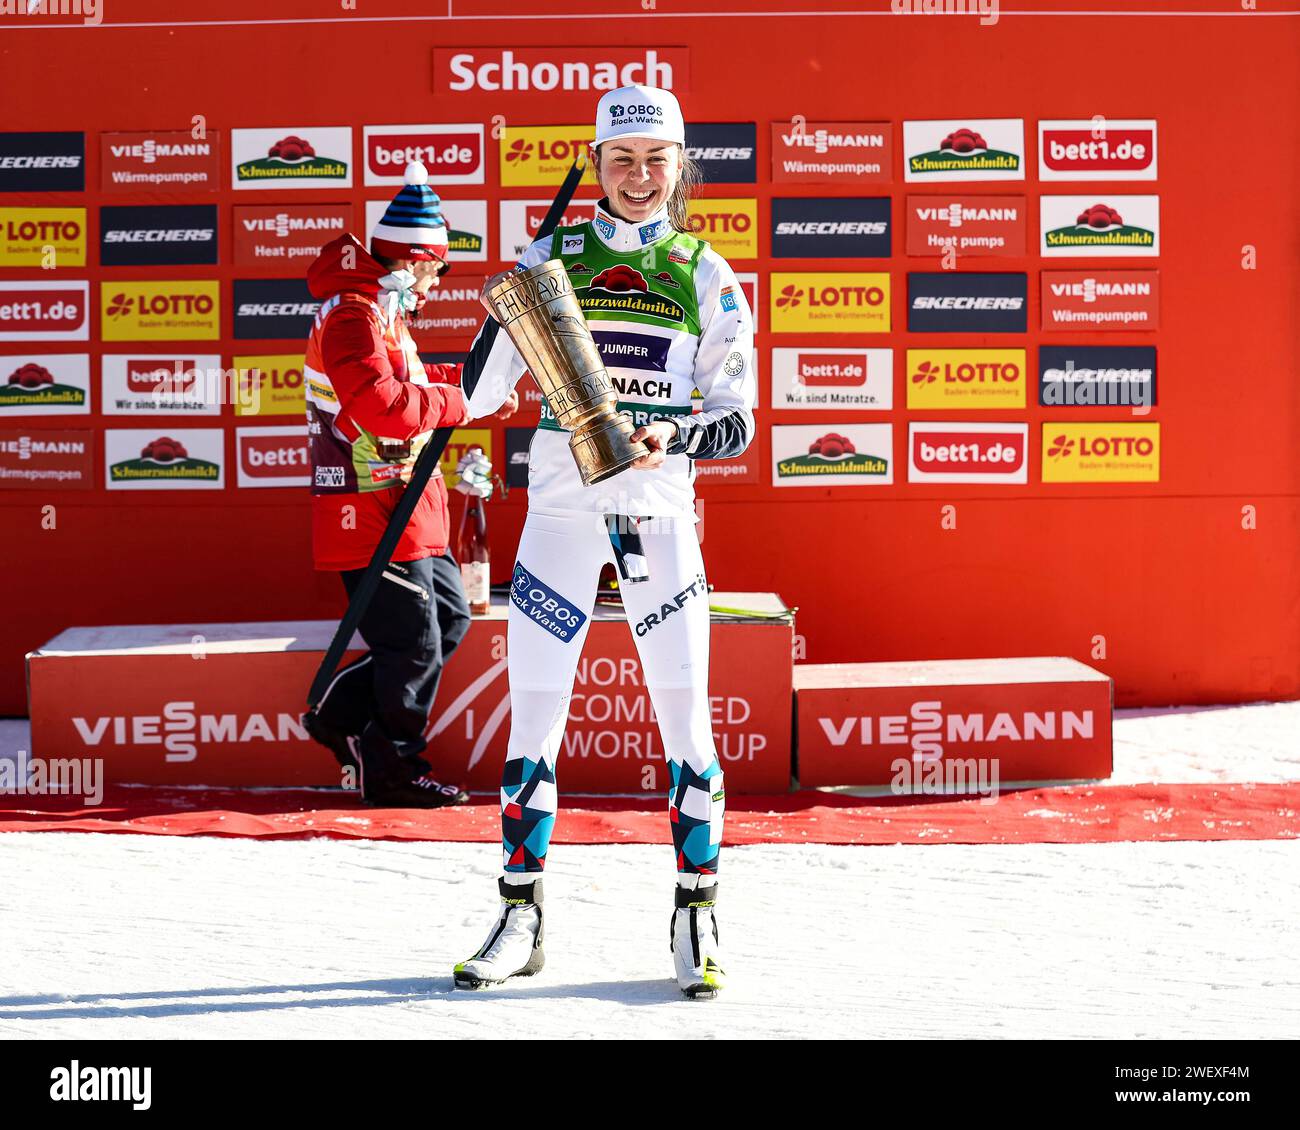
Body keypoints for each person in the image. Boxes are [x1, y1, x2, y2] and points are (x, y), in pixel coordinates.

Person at [453, 86, 756, 997]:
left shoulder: (705, 271)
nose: (638, 176)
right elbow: (475, 395)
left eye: (655, 159)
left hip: (660, 514)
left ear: (678, 166)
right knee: (534, 716)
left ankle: (696, 915)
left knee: (686, 721)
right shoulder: (549, 259)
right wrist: (481, 330)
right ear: (595, 165)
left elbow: (737, 422)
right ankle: (519, 915)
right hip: (559, 513)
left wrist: (678, 434)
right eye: (621, 160)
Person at [300, 160, 517, 808]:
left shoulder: (380, 312)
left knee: (448, 619)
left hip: (407, 503)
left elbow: (409, 381)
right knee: (414, 640)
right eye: (436, 268)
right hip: (366, 510)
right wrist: (461, 404)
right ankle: (393, 770)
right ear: (414, 260)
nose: (438, 282)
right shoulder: (353, 318)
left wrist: (472, 390)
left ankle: (337, 716)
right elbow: (385, 407)